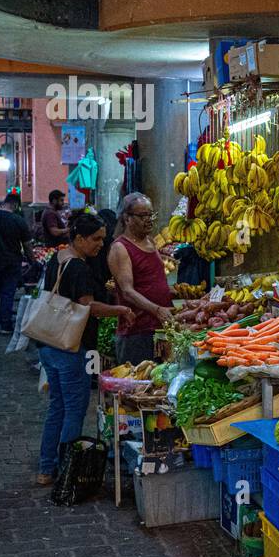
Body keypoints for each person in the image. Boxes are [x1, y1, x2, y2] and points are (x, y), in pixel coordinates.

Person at [36, 212, 135, 486]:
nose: (101, 244)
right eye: (96, 239)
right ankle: (69, 469)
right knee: (75, 410)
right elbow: (89, 306)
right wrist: (120, 309)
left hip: (48, 343)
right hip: (70, 347)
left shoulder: (58, 259)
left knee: (57, 406)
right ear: (79, 238)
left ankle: (47, 468)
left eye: (103, 239)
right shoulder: (79, 267)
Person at [107, 192, 172, 364]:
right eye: (143, 215)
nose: (149, 219)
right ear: (127, 219)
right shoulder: (120, 248)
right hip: (137, 332)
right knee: (138, 386)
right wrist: (157, 309)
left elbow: (152, 281)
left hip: (159, 328)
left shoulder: (150, 242)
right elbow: (127, 291)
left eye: (151, 214)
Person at [0, 192, 33, 335]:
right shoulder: (19, 221)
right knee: (7, 293)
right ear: (15, 205)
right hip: (12, 261)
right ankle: (5, 325)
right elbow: (27, 245)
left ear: (4, 202)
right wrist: (32, 261)